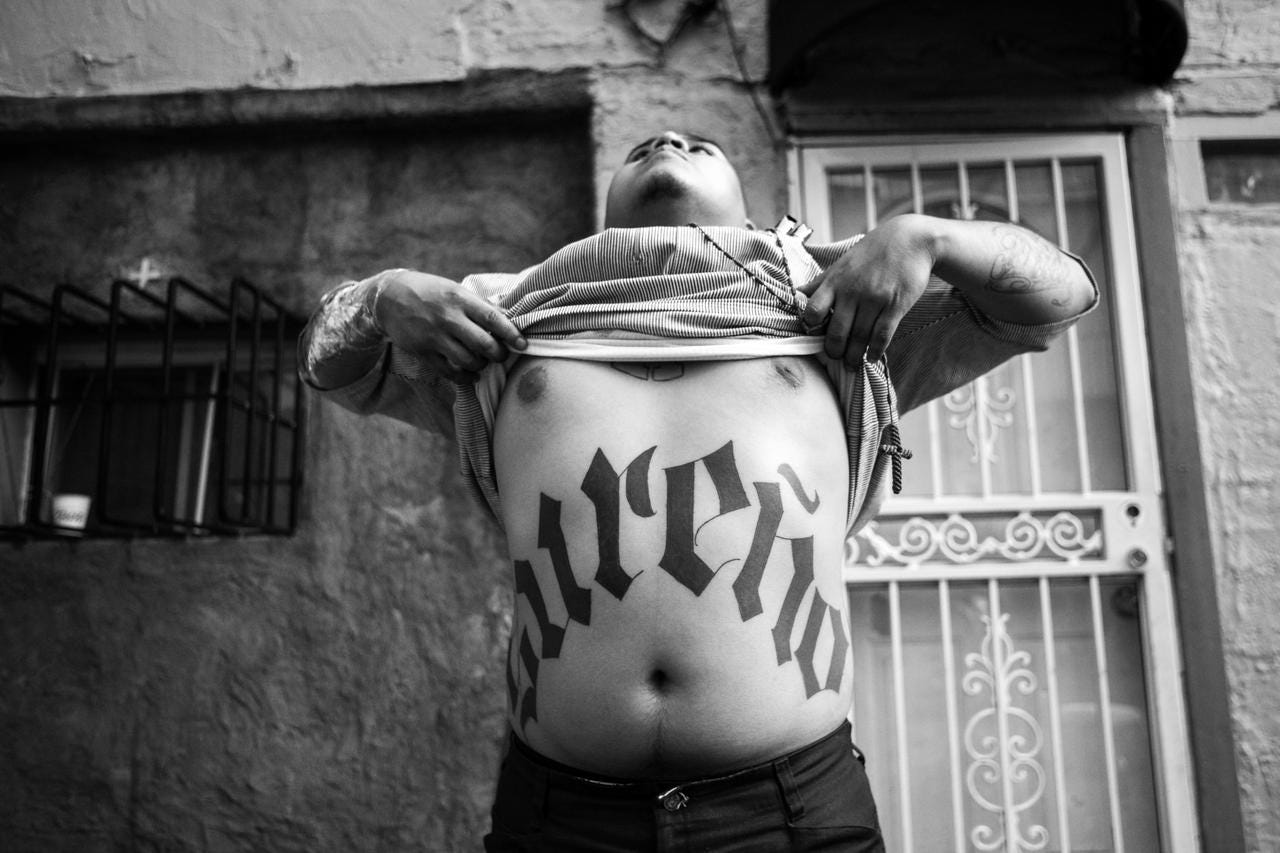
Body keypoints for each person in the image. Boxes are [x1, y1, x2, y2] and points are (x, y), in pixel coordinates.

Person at [298, 130, 1097, 851]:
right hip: (562, 814)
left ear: (751, 210)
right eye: (643, 144)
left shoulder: (839, 305)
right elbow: (325, 364)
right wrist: (383, 296)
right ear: (604, 216)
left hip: (791, 811)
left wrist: (928, 236)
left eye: (701, 143)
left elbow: (1059, 298)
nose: (669, 140)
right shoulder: (499, 322)